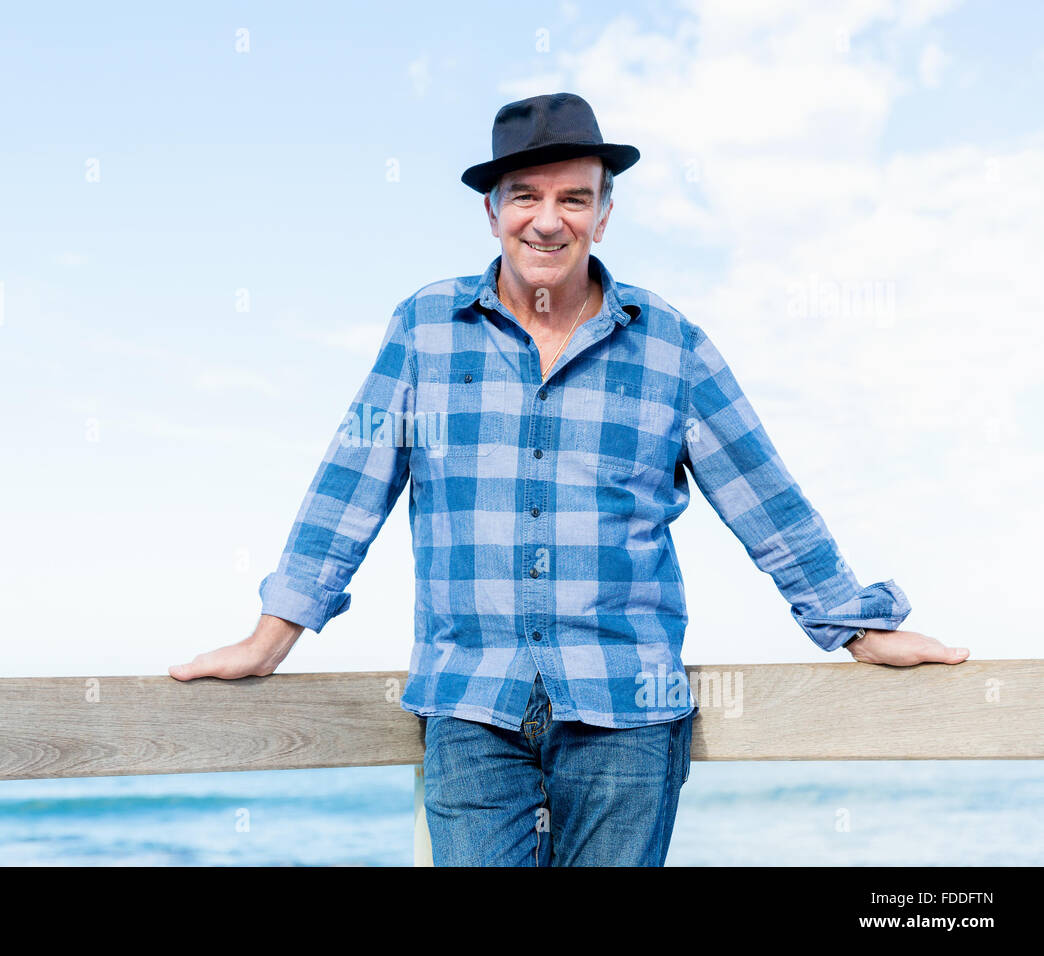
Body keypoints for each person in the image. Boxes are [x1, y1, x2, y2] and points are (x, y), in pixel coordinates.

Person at [170, 92, 970, 866]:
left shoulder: (672, 345)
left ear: (604, 211)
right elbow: (351, 482)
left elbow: (766, 497)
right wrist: (270, 640)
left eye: (574, 198)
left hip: (628, 714)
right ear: (492, 210)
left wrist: (853, 625)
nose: (548, 220)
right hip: (471, 707)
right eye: (525, 196)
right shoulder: (425, 330)